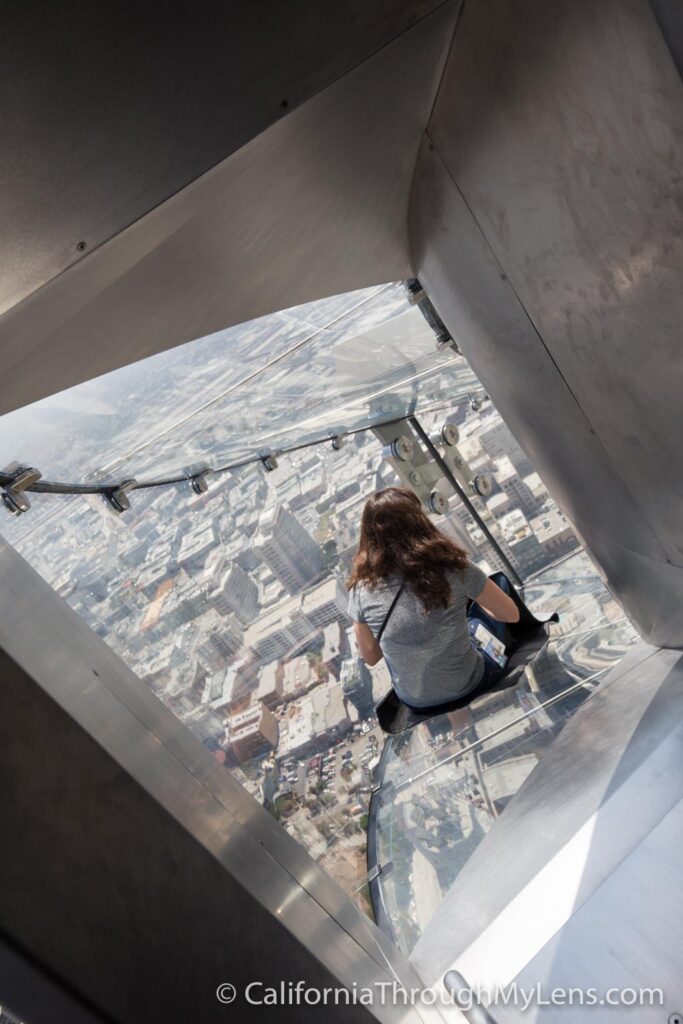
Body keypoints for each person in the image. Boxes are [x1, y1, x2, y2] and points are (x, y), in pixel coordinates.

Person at [347, 487, 520, 709]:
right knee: (481, 612)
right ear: (418, 522)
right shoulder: (453, 566)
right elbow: (511, 614)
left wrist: (403, 631)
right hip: (469, 683)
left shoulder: (360, 590)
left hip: (415, 701)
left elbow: (370, 657)